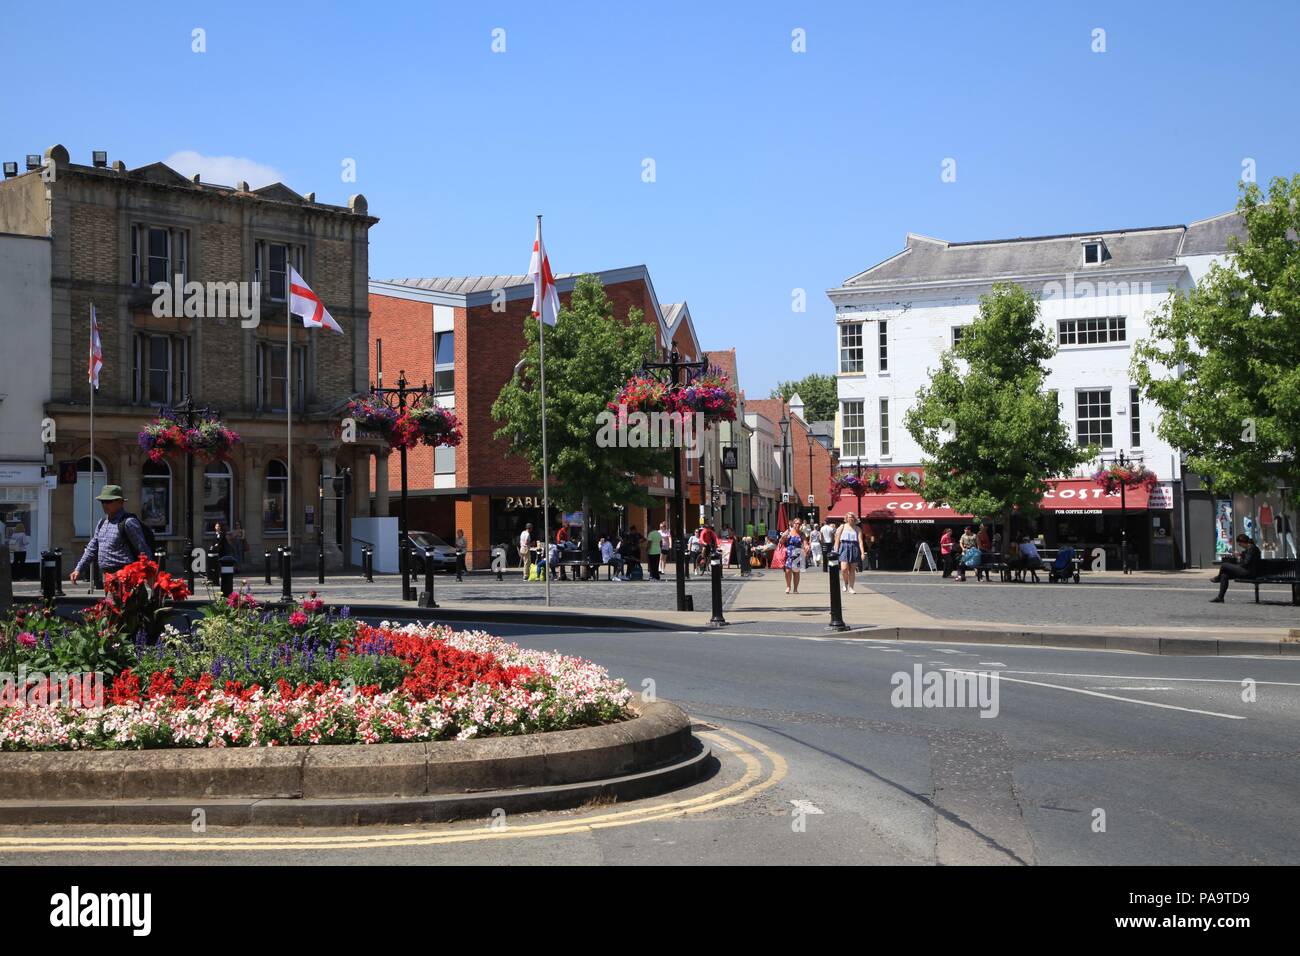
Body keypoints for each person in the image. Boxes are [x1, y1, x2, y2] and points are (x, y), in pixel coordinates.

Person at [69, 485, 151, 584]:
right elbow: (92, 548)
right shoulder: (102, 522)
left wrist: (149, 574)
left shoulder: (128, 522)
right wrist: (78, 569)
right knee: (109, 600)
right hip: (107, 576)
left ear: (120, 502)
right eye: (103, 502)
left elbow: (142, 549)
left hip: (126, 576)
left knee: (121, 600)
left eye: (108, 501)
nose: (105, 505)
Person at [1211, 533, 1262, 602]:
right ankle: (1220, 597)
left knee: (1224, 565)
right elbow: (1245, 560)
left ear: (1243, 542)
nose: (1240, 546)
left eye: (1239, 544)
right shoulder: (1250, 548)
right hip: (1246, 571)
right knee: (1224, 575)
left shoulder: (1252, 549)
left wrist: (1239, 558)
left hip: (1248, 572)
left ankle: (1218, 578)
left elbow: (1246, 563)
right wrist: (1240, 556)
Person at [778, 518, 810, 594]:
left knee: (796, 572)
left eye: (799, 524)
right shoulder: (788, 532)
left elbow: (805, 543)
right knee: (788, 570)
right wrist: (783, 538)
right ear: (793, 523)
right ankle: (788, 586)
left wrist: (806, 547)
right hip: (789, 553)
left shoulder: (801, 534)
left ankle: (795, 589)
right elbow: (780, 542)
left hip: (798, 554)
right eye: (796, 523)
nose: (798, 525)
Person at [834, 513, 862, 593]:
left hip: (854, 546)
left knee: (852, 569)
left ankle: (851, 587)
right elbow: (837, 539)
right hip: (844, 546)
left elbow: (860, 541)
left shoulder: (857, 528)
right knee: (844, 568)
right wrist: (836, 550)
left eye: (852, 517)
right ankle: (845, 583)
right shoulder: (842, 527)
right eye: (849, 517)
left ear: (854, 518)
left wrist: (862, 552)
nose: (850, 519)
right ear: (846, 518)